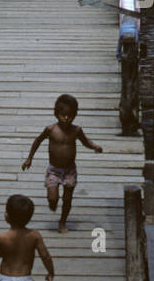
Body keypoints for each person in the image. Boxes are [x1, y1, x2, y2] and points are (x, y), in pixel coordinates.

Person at [22, 93, 102, 232]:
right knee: (53, 199)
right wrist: (30, 158)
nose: (66, 118)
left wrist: (94, 146)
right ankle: (53, 203)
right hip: (54, 169)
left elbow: (85, 141)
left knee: (67, 198)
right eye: (63, 115)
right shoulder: (51, 130)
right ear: (56, 114)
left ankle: (62, 222)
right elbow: (38, 141)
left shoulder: (76, 130)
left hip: (70, 170)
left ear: (75, 115)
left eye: (70, 115)